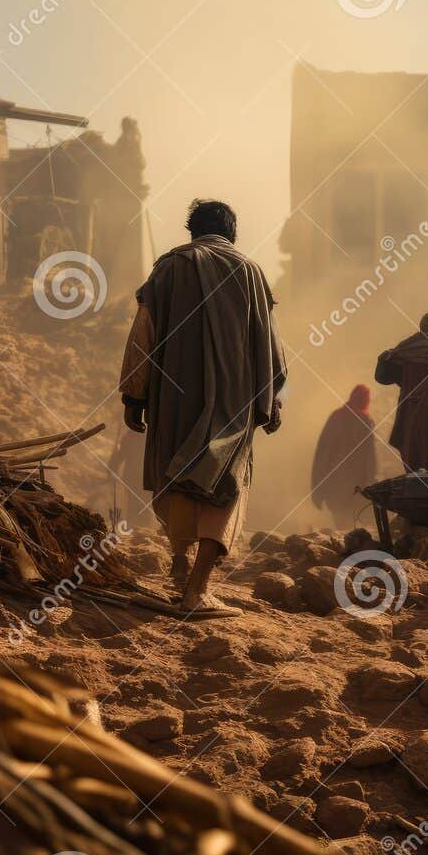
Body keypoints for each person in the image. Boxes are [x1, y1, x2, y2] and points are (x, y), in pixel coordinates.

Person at [119, 199, 285, 612]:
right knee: (225, 488)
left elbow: (143, 333)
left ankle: (179, 565)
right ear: (232, 233)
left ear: (192, 231)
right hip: (233, 403)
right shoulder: (249, 272)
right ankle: (196, 590)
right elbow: (270, 343)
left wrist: (134, 395)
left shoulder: (169, 268)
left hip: (173, 399)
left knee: (178, 476)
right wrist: (272, 397)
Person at [376, 312, 428, 471]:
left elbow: (388, 376)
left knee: (410, 443)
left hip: (408, 406)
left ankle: (414, 479)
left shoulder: (405, 349)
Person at [311, 384, 378, 527]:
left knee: (343, 527)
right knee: (354, 528)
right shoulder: (366, 421)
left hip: (338, 488)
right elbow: (370, 459)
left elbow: (322, 455)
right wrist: (371, 482)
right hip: (356, 489)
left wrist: (318, 489)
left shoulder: (337, 417)